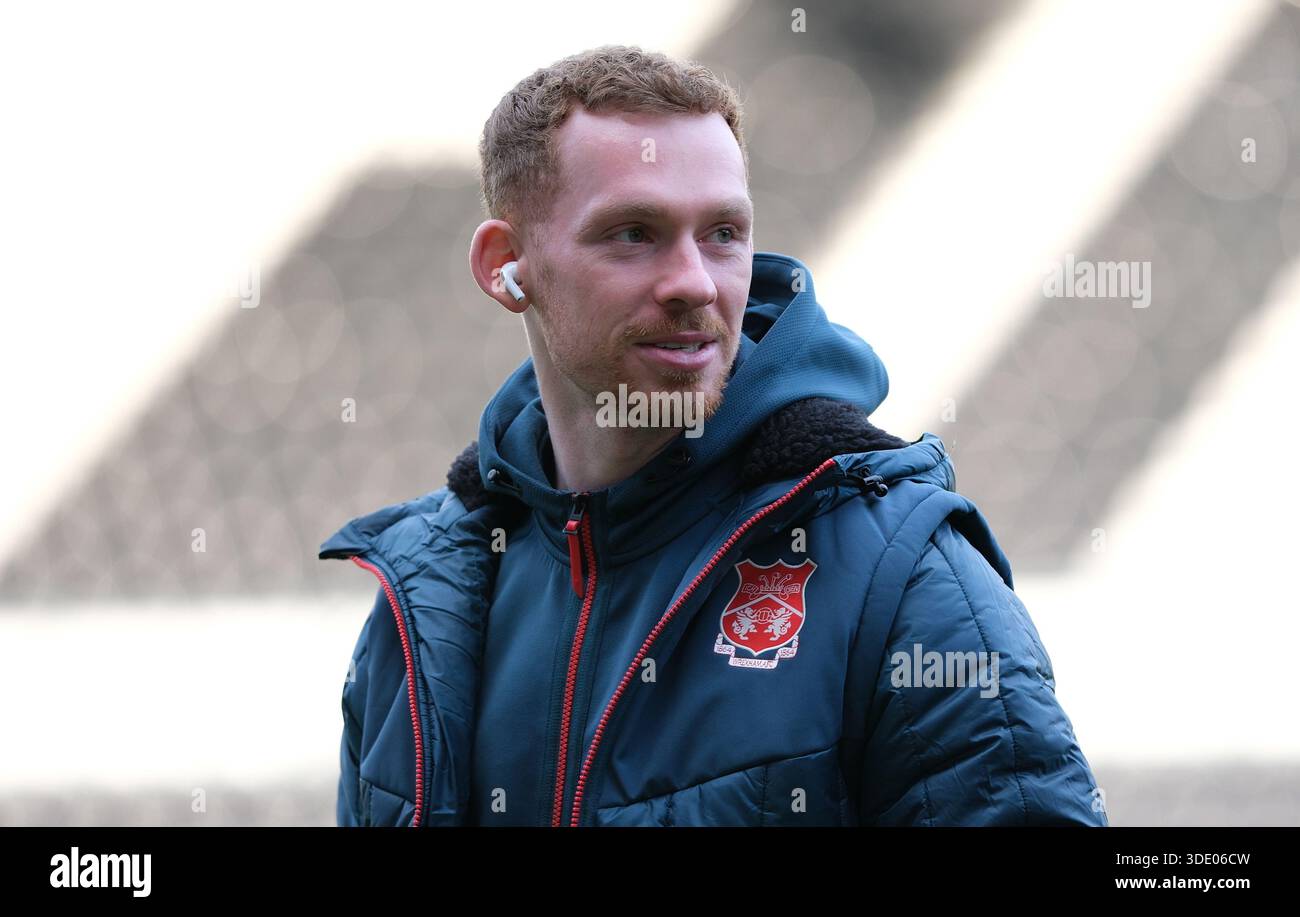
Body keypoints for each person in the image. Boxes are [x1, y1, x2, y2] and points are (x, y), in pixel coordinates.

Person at [319, 44, 1107, 827]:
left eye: (724, 232)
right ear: (506, 267)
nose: (695, 281)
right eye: (634, 233)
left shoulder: (900, 575)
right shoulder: (422, 611)